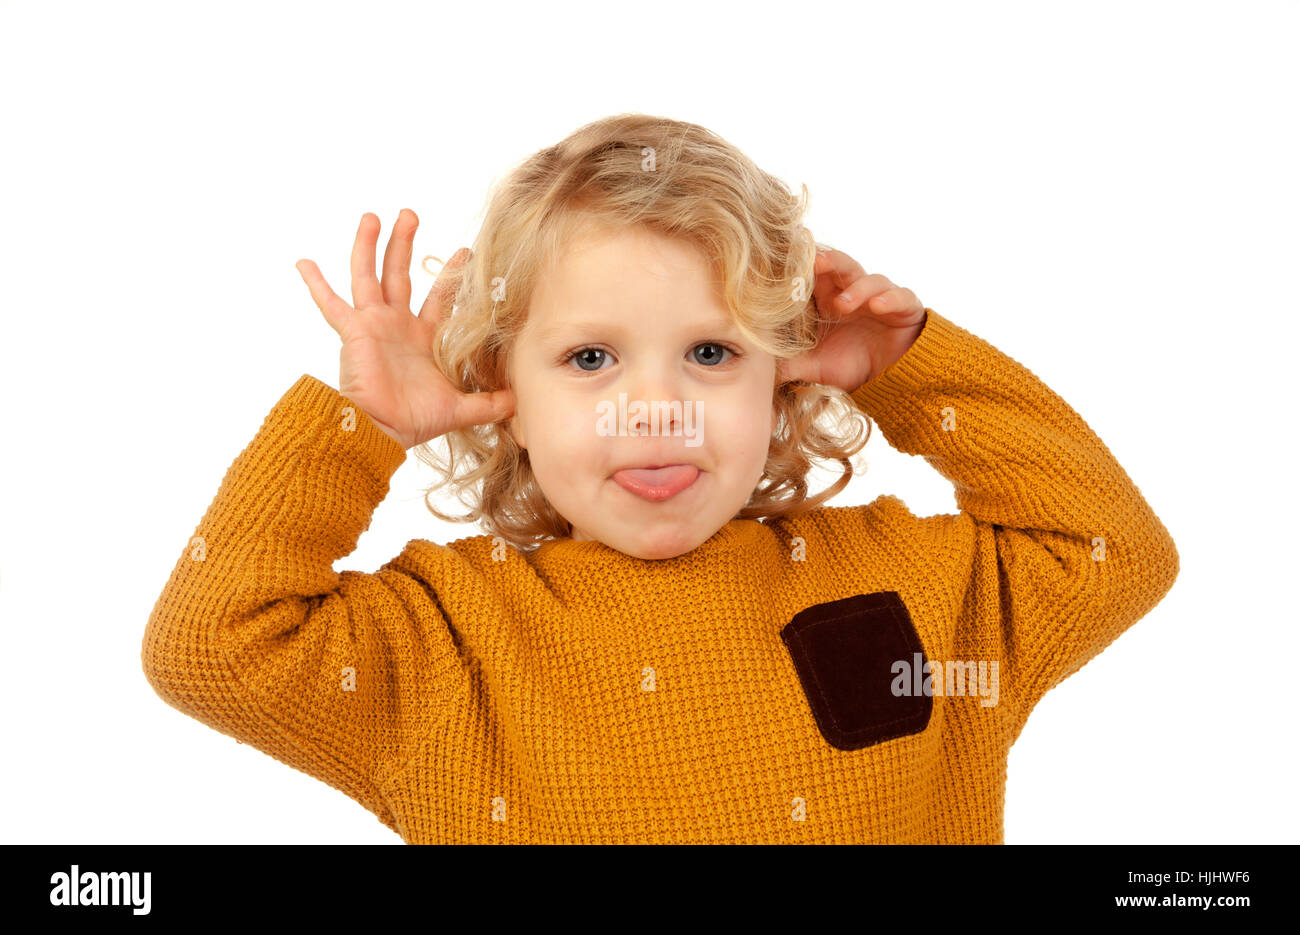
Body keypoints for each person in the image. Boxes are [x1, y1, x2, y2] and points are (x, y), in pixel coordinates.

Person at [141, 113, 1179, 843]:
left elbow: (1110, 551)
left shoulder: (915, 585)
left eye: (713, 353)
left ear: (785, 372)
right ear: (500, 379)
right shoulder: (442, 639)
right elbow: (211, 647)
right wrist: (357, 428)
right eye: (589, 359)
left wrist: (914, 371)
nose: (656, 408)